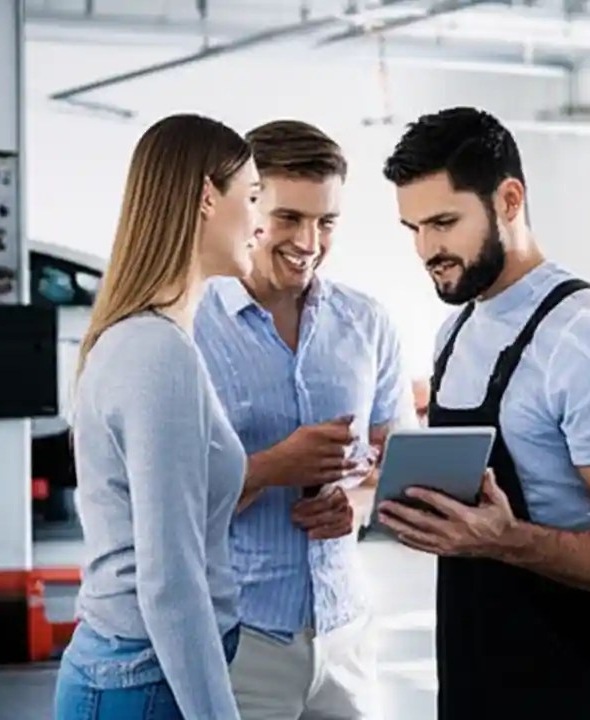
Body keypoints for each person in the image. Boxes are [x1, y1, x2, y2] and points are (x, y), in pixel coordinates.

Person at [375, 107, 590, 720]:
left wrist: (510, 541)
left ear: (509, 200)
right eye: (413, 228)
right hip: (477, 686)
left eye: (444, 223)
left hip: (582, 693)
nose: (426, 250)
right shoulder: (456, 332)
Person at [195, 119, 413, 720]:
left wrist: (356, 502)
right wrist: (270, 468)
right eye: (289, 218)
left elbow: (390, 463)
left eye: (327, 222)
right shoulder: (189, 328)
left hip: (345, 631)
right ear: (246, 206)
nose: (309, 241)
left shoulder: (367, 323)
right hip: (238, 637)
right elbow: (162, 503)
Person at [55, 113, 263, 720]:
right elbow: (170, 578)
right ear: (206, 197)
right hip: (144, 683)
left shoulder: (151, 340)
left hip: (142, 675)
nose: (259, 221)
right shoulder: (156, 351)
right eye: (252, 196)